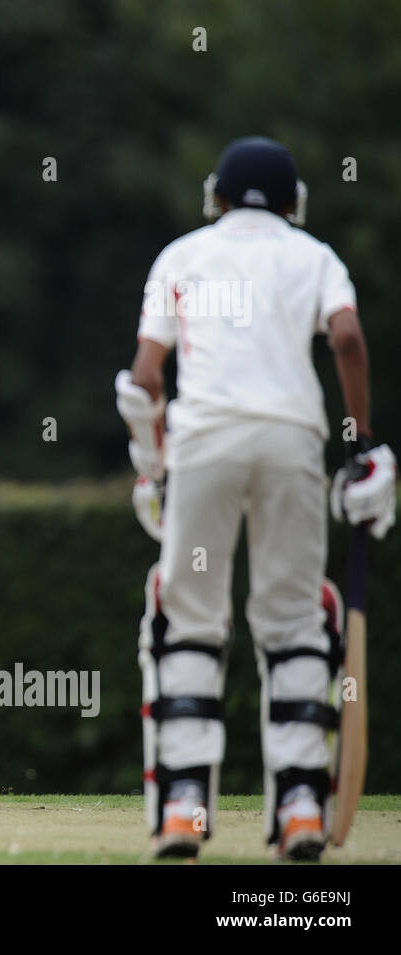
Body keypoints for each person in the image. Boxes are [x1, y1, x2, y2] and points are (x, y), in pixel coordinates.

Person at [116, 137, 396, 860]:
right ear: (293, 202)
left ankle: (183, 807)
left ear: (214, 198)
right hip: (291, 441)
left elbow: (146, 377)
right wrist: (363, 443)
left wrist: (153, 468)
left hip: (204, 439)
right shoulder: (314, 256)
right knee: (295, 619)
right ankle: (301, 804)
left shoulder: (181, 255)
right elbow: (348, 336)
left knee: (189, 620)